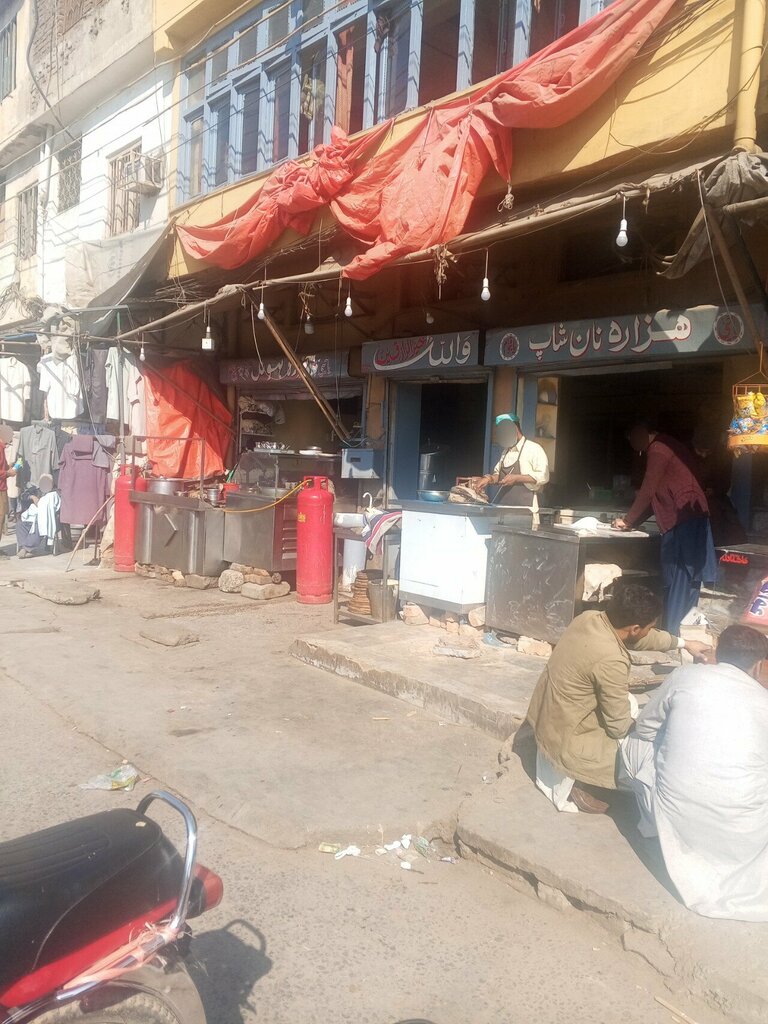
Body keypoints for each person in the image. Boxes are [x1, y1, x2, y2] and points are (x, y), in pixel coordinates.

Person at [621, 624, 768, 921]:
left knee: (634, 744)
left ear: (717, 653)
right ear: (759, 665)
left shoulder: (685, 676)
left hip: (681, 818)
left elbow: (645, 729)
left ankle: (652, 823)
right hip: (744, 836)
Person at [526, 582, 712, 814]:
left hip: (547, 717)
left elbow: (643, 638)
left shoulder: (589, 618)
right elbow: (617, 725)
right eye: (649, 627)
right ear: (635, 628)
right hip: (567, 739)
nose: (649, 631)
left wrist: (684, 644)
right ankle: (582, 781)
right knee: (645, 758)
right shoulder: (611, 660)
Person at [613, 424, 716, 635]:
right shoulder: (670, 446)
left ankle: (672, 635)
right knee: (689, 580)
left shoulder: (659, 447)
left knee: (680, 579)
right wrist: (633, 521)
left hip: (683, 521)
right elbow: (654, 497)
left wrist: (628, 520)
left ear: (642, 433)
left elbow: (648, 488)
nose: (637, 449)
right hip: (694, 519)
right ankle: (684, 634)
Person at [472, 413, 550, 515]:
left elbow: (543, 476)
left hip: (525, 509)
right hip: (502, 507)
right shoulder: (506, 452)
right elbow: (498, 475)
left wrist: (517, 478)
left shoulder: (533, 449)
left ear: (515, 429)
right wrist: (488, 479)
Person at [691, 423, 746, 546]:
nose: (704, 455)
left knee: (730, 528)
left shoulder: (720, 458)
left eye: (707, 452)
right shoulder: (687, 457)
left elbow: (725, 481)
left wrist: (714, 490)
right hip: (692, 501)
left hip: (715, 500)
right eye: (700, 451)